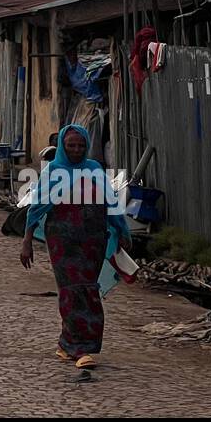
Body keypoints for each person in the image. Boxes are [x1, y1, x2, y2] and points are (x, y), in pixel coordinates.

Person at [20, 124, 130, 369]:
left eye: (81, 146)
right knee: (72, 289)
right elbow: (36, 207)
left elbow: (110, 202)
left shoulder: (94, 169)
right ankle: (80, 349)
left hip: (93, 239)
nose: (77, 150)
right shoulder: (53, 172)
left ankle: (67, 343)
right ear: (62, 146)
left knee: (89, 289)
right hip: (63, 240)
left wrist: (121, 230)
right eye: (71, 145)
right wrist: (27, 240)